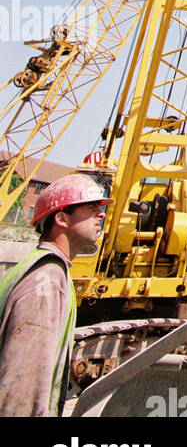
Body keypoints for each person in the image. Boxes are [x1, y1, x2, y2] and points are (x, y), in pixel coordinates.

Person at [0, 173, 107, 416]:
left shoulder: (50, 271)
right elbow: (21, 385)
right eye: (91, 207)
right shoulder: (46, 279)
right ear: (61, 219)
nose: (100, 214)